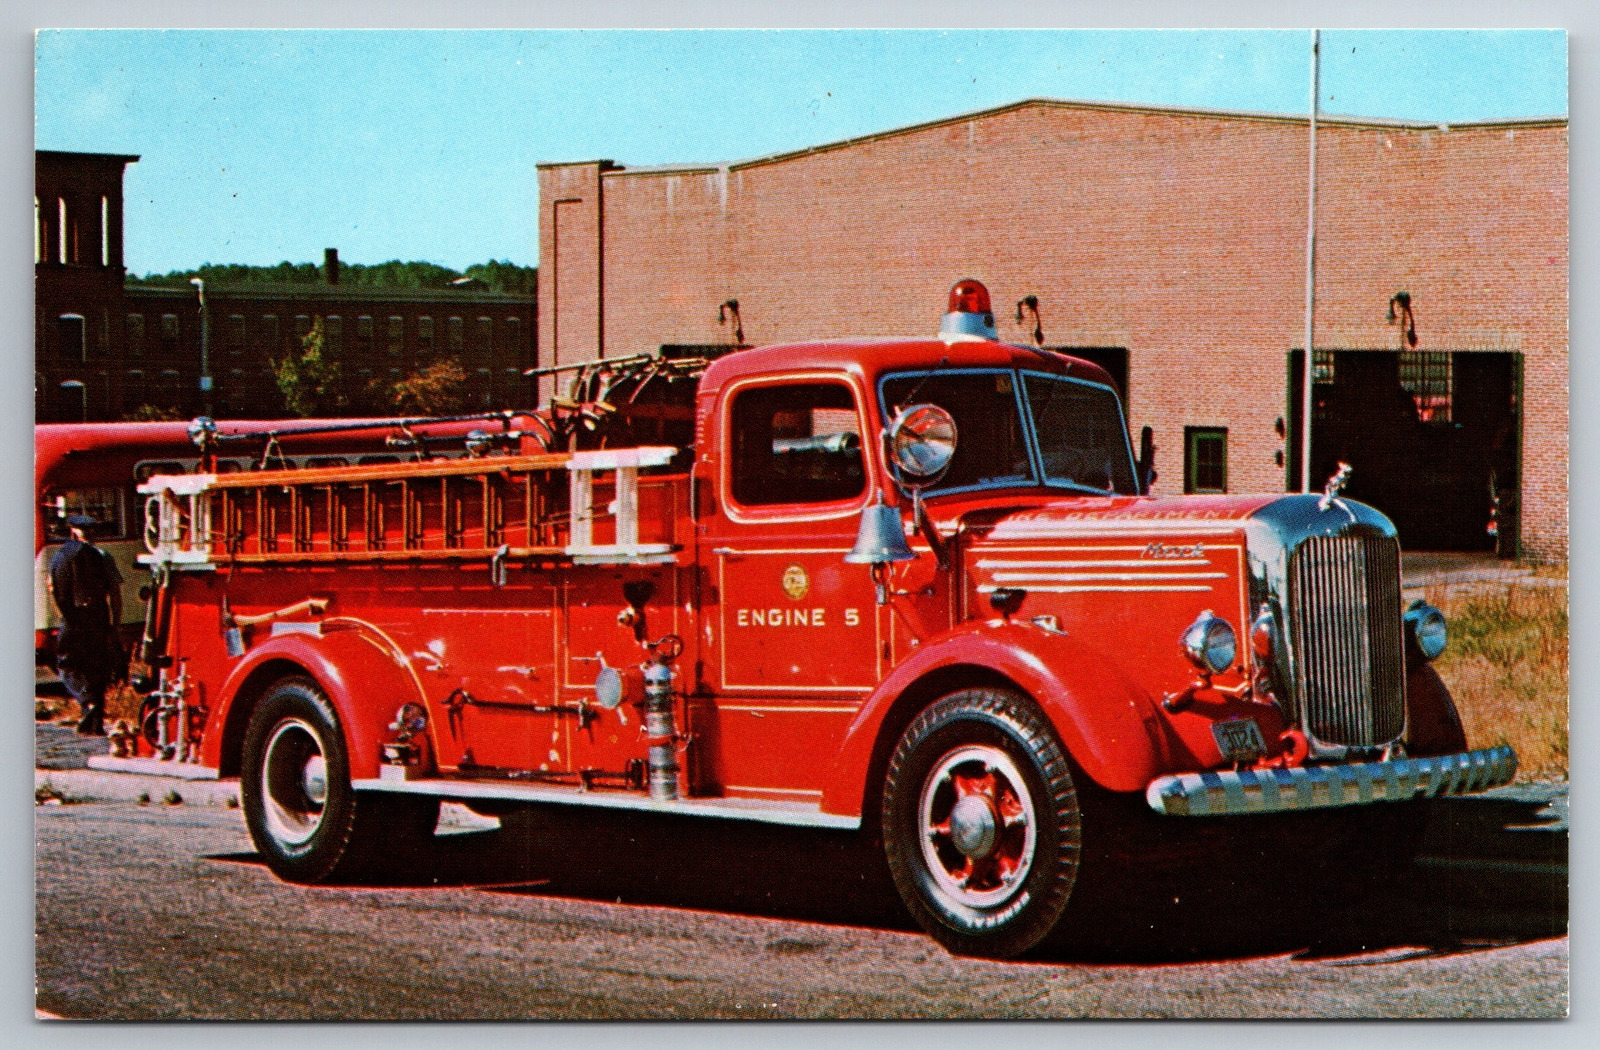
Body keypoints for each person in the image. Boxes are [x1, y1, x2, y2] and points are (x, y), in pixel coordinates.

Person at [48, 514, 124, 736]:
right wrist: (114, 624)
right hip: (98, 616)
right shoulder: (103, 556)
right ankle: (95, 722)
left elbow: (53, 590)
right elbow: (115, 594)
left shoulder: (59, 556)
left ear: (73, 531)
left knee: (68, 665)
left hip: (73, 618)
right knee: (97, 666)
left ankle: (86, 703)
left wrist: (62, 616)